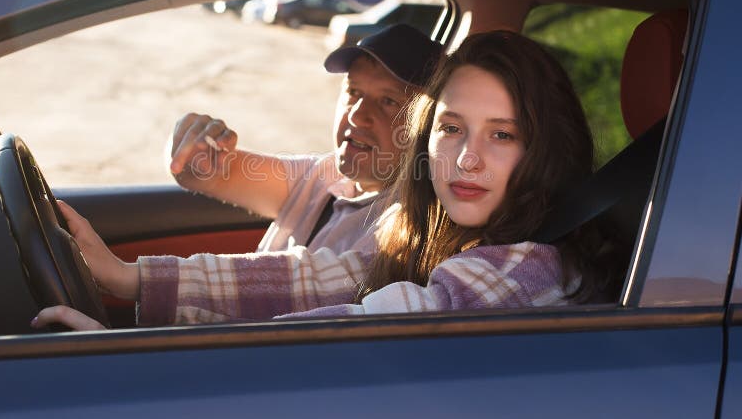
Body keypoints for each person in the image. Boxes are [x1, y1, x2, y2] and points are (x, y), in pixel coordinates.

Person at [33, 30, 615, 331]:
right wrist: (127, 276)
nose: (466, 159)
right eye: (452, 127)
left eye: (503, 134)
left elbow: (346, 332)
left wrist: (132, 356)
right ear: (429, 132)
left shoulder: (522, 270)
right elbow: (315, 279)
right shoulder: (335, 180)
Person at [169, 23, 443, 254]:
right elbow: (200, 173)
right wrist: (190, 143)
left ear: (428, 125)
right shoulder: (322, 175)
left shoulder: (407, 229)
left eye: (389, 101)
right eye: (353, 92)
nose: (357, 115)